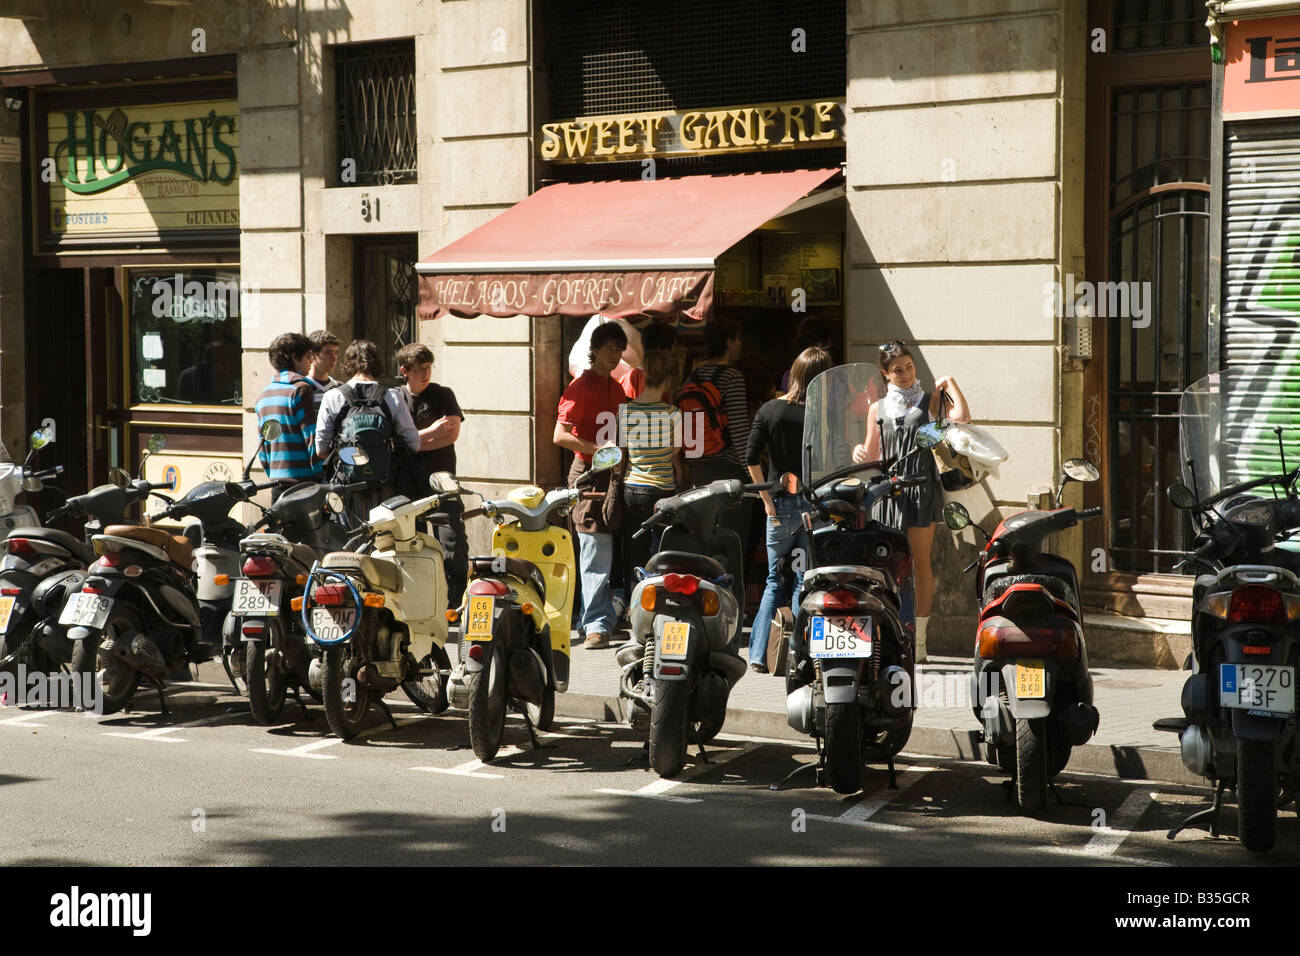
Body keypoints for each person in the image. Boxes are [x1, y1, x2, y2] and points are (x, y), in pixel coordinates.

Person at [851, 342, 970, 662]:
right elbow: (872, 453)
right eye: (898, 369)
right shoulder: (878, 408)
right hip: (888, 492)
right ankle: (887, 636)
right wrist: (858, 454)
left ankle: (919, 643)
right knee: (887, 568)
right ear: (885, 373)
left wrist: (951, 383)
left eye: (909, 366)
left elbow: (962, 419)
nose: (905, 374)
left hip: (920, 489)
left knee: (920, 565)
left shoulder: (928, 400)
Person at [745, 347, 832, 672]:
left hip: (778, 506)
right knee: (801, 580)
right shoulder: (821, 414)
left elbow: (751, 456)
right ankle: (796, 653)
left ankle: (757, 656)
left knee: (773, 581)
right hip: (812, 507)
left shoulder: (771, 409)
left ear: (794, 373)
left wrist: (766, 500)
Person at [553, 321, 629, 650]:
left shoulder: (617, 388)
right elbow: (559, 435)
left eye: (619, 348)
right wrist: (599, 450)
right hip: (587, 474)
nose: (615, 354)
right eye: (609, 348)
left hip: (613, 474)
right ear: (594, 350)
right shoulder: (579, 389)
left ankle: (601, 618)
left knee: (607, 548)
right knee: (595, 548)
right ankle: (595, 624)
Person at [396, 342, 469, 608]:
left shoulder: (442, 395)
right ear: (405, 371)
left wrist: (413, 440)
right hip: (407, 484)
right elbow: (398, 443)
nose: (425, 374)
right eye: (419, 369)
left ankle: (456, 603)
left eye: (428, 368)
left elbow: (451, 434)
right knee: (411, 546)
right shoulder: (396, 398)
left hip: (442, 481)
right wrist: (428, 434)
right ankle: (420, 602)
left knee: (452, 543)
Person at [316, 339, 420, 514]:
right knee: (384, 537)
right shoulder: (392, 396)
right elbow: (414, 443)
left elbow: (321, 449)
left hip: (346, 487)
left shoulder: (332, 396)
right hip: (385, 486)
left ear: (347, 363)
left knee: (351, 538)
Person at [683, 316, 753, 568]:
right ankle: (731, 597)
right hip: (729, 472)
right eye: (737, 339)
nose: (740, 345)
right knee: (731, 541)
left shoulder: (692, 377)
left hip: (700, 471)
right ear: (727, 342)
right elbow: (740, 431)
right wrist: (755, 478)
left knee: (705, 539)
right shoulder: (732, 377)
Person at [619, 349, 685, 585]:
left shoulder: (625, 411)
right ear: (668, 380)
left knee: (635, 548)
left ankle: (633, 600)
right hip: (662, 489)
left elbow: (622, 453)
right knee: (662, 551)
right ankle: (657, 594)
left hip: (632, 489)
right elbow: (675, 452)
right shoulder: (672, 414)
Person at [255, 332, 323, 493]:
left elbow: (262, 444)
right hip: (304, 482)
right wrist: (320, 474)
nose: (311, 362)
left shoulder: (263, 396)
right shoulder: (300, 389)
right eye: (308, 357)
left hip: (277, 482)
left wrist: (272, 473)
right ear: (294, 357)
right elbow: (311, 436)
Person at [306, 330, 342, 417]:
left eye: (336, 353)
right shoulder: (301, 388)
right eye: (328, 353)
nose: (334, 358)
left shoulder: (341, 388)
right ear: (312, 355)